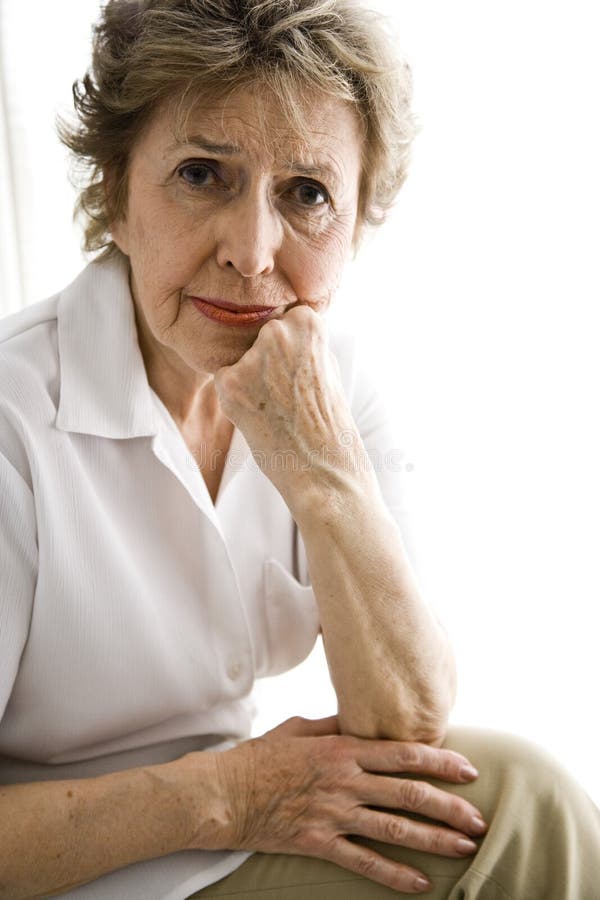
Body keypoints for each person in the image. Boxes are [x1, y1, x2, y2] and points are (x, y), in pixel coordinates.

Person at [0, 0, 598, 897]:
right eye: (203, 175)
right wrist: (231, 794)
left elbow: (406, 720)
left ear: (354, 229)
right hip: (65, 869)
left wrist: (323, 475)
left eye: (307, 193)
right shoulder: (15, 417)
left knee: (519, 802)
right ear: (115, 193)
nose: (252, 252)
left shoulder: (334, 384)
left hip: (216, 853)